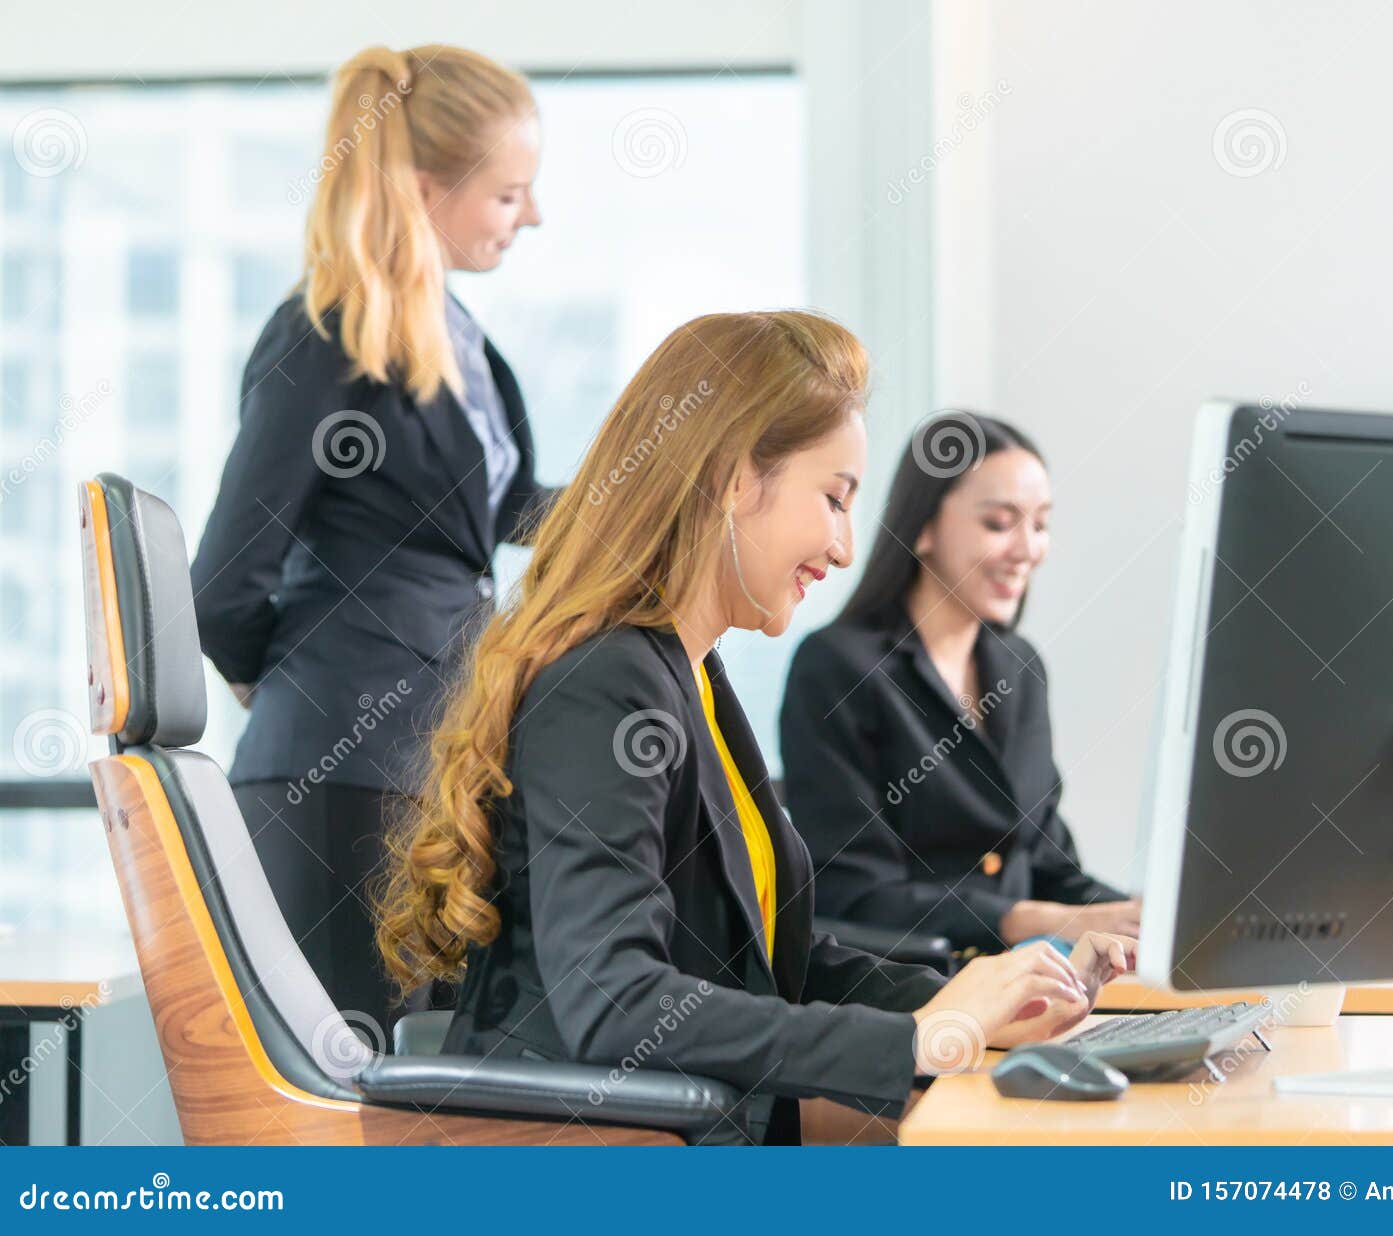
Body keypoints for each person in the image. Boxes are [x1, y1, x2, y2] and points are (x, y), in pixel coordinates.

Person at [373, 313, 1136, 1144]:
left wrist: (974, 994)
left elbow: (774, 962)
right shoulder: (608, 683)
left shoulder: (689, 673)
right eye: (834, 499)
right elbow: (615, 999)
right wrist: (918, 1039)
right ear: (737, 479)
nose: (845, 547)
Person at [190, 44, 551, 1031]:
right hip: (337, 774)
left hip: (426, 760)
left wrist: (664, 497)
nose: (532, 218)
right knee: (355, 1098)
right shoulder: (326, 333)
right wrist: (296, 682)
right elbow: (223, 581)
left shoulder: (455, 336)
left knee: (419, 1082)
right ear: (430, 189)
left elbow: (501, 507)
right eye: (510, 195)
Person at [779, 412, 1140, 959]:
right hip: (919, 993)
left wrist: (1149, 919)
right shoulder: (838, 667)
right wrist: (1028, 920)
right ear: (923, 527)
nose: (1028, 549)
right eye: (999, 523)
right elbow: (851, 894)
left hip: (1035, 984)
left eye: (1040, 525)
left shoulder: (1020, 668)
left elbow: (1049, 867)